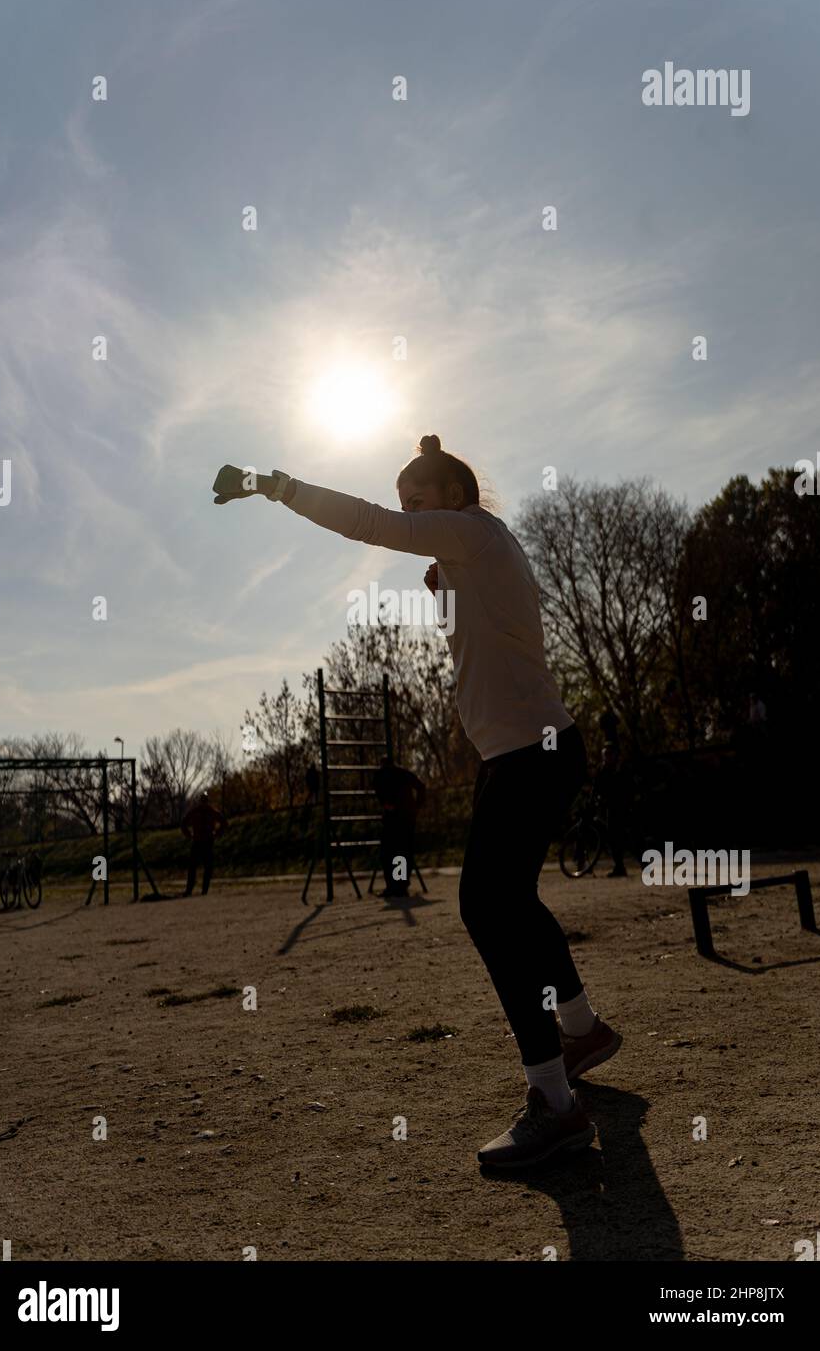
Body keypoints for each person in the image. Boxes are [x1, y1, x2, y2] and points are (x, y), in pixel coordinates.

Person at [212, 436, 622, 1170]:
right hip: (528, 753)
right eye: (407, 504)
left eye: (418, 502)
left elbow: (370, 524)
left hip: (535, 753)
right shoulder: (480, 550)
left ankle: (556, 1106)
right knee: (514, 903)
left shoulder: (473, 531)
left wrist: (274, 484)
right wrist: (450, 591)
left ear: (454, 498)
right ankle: (582, 1030)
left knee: (487, 908)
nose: (409, 516)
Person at [373, 756, 426, 898]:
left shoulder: (381, 775)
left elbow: (379, 792)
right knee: (402, 853)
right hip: (407, 818)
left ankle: (393, 886)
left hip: (393, 819)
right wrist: (416, 807)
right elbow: (421, 787)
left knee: (388, 853)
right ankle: (400, 885)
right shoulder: (403, 773)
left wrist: (385, 803)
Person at [592, 742, 631, 878]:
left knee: (621, 837)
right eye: (605, 754)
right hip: (608, 808)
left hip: (621, 807)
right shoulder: (602, 769)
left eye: (609, 754)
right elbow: (596, 788)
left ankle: (622, 866)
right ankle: (619, 866)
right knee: (613, 837)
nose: (606, 757)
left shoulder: (620, 769)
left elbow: (626, 788)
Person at [181, 791, 228, 897]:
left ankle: (204, 890)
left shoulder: (211, 811)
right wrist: (189, 835)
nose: (204, 803)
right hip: (197, 841)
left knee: (207, 867)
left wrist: (217, 833)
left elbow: (223, 822)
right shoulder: (195, 811)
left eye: (205, 800)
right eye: (202, 800)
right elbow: (183, 823)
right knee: (192, 866)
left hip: (207, 842)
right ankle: (189, 889)